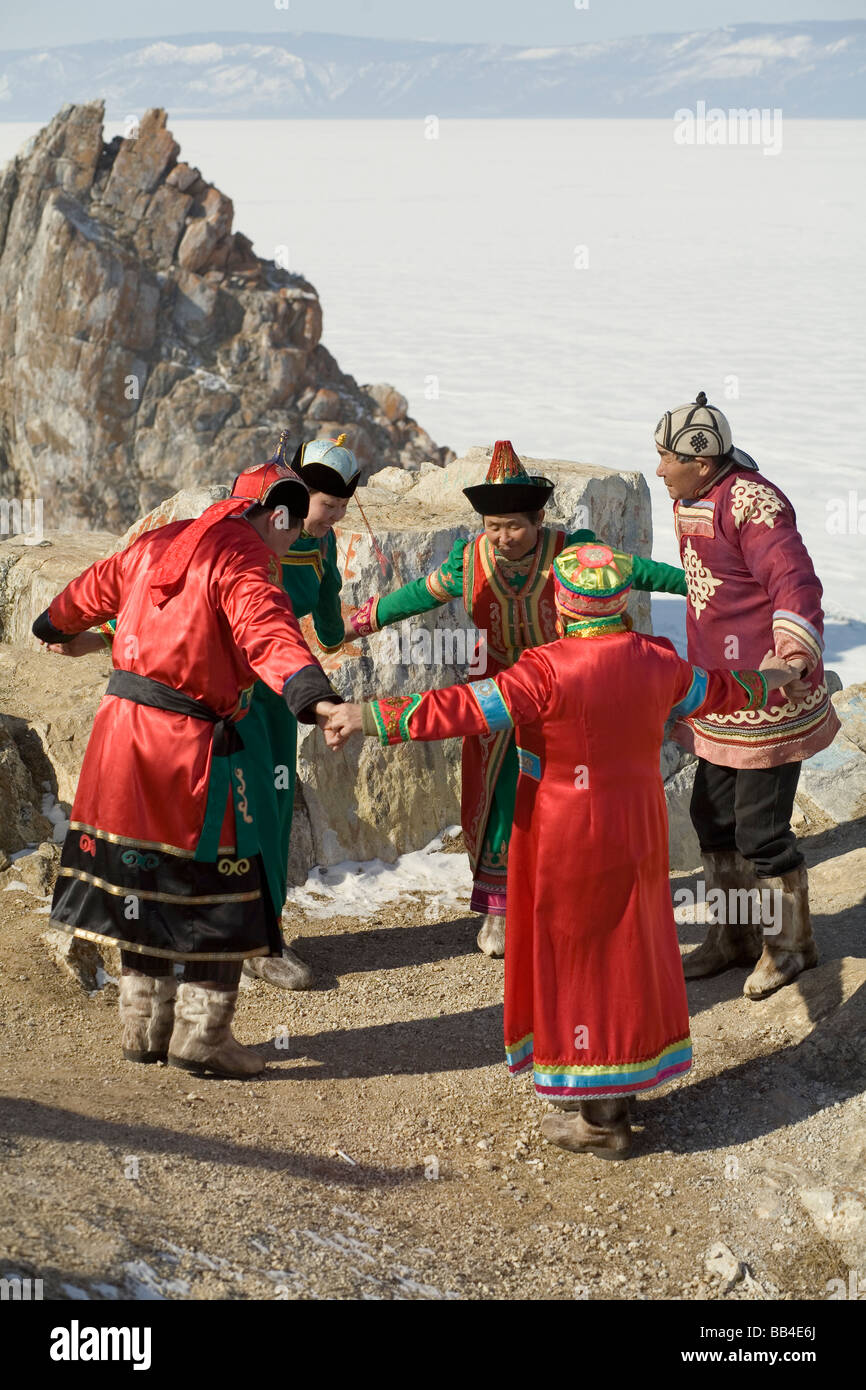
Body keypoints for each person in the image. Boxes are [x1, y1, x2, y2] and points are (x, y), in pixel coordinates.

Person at [325, 544, 803, 1157]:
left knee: (578, 952)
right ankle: (623, 1087)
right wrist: (774, 680)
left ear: (564, 604)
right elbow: (722, 691)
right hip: (636, 826)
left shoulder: (544, 670)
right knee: (629, 943)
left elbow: (462, 708)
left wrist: (367, 716)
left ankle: (600, 1119)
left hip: (564, 829)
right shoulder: (659, 663)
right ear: (616, 601)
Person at [34, 461, 344, 1080]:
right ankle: (203, 1039)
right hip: (190, 746)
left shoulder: (157, 541)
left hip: (119, 737)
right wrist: (317, 698)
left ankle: (143, 1028)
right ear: (276, 515)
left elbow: (78, 599)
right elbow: (268, 631)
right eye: (292, 530)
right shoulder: (248, 557)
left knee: (138, 877)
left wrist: (55, 627)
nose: (292, 545)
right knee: (222, 888)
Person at [345, 439, 688, 958]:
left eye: (515, 527)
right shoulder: (471, 561)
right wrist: (354, 625)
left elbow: (638, 571)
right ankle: (501, 914)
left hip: (567, 689)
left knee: (573, 798)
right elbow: (417, 595)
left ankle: (574, 903)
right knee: (500, 798)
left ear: (539, 519)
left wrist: (703, 586)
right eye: (493, 527)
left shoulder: (573, 552)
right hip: (503, 690)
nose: (503, 537)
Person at [654, 392, 840, 999]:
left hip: (769, 692)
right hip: (722, 692)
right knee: (710, 816)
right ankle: (734, 934)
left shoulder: (753, 502)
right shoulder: (694, 495)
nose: (659, 470)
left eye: (666, 458)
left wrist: (790, 653)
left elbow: (792, 576)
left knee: (760, 828)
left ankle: (792, 945)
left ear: (702, 463)